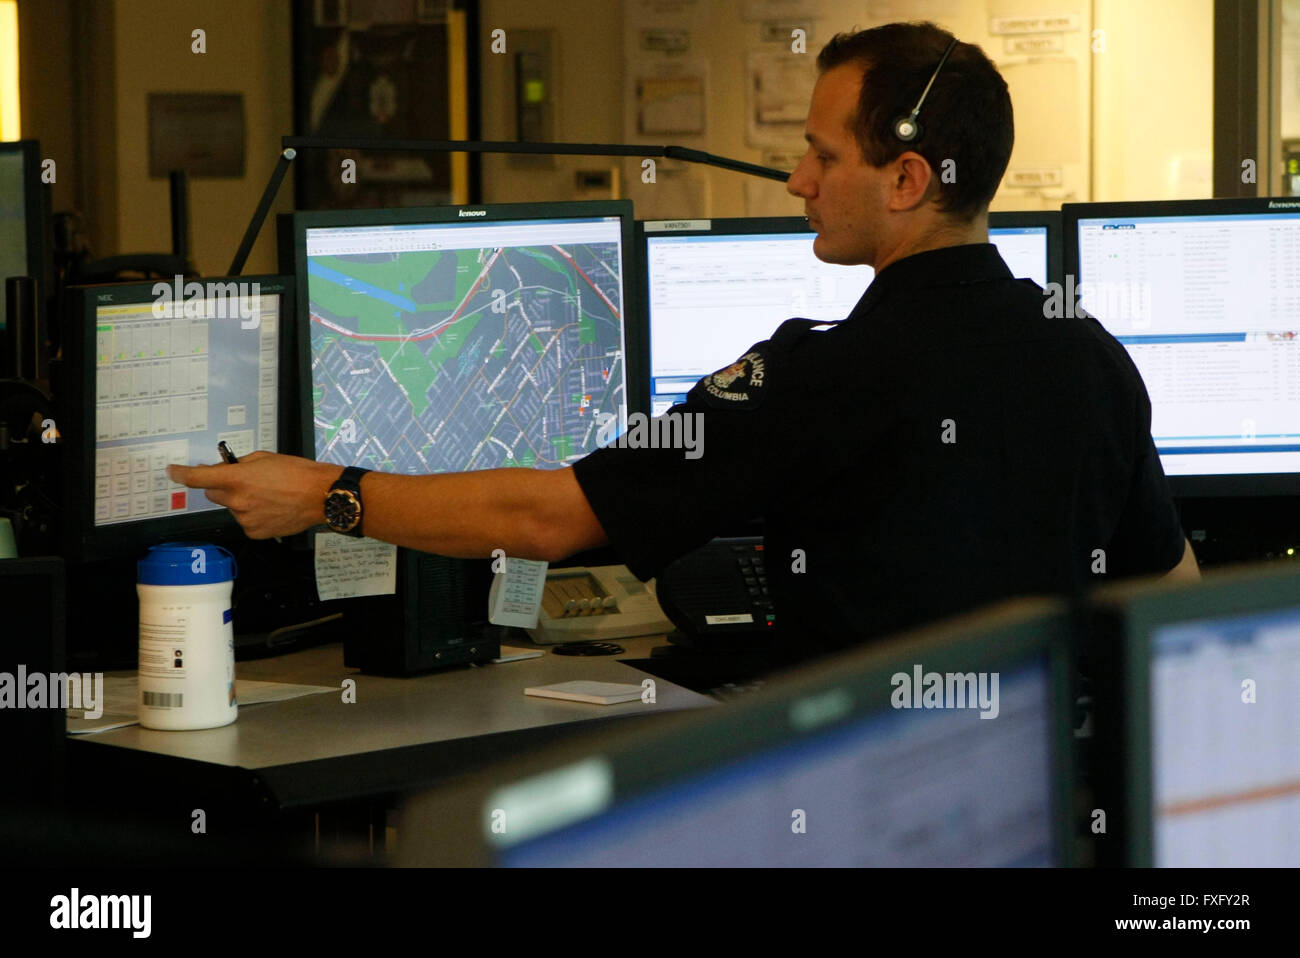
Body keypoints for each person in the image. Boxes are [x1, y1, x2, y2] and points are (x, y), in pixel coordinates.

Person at [169, 22, 1198, 668]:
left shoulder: (815, 377)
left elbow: (547, 517)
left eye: (819, 152)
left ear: (907, 182)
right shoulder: (1092, 355)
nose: (796, 177)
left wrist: (321, 493)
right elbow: (1174, 604)